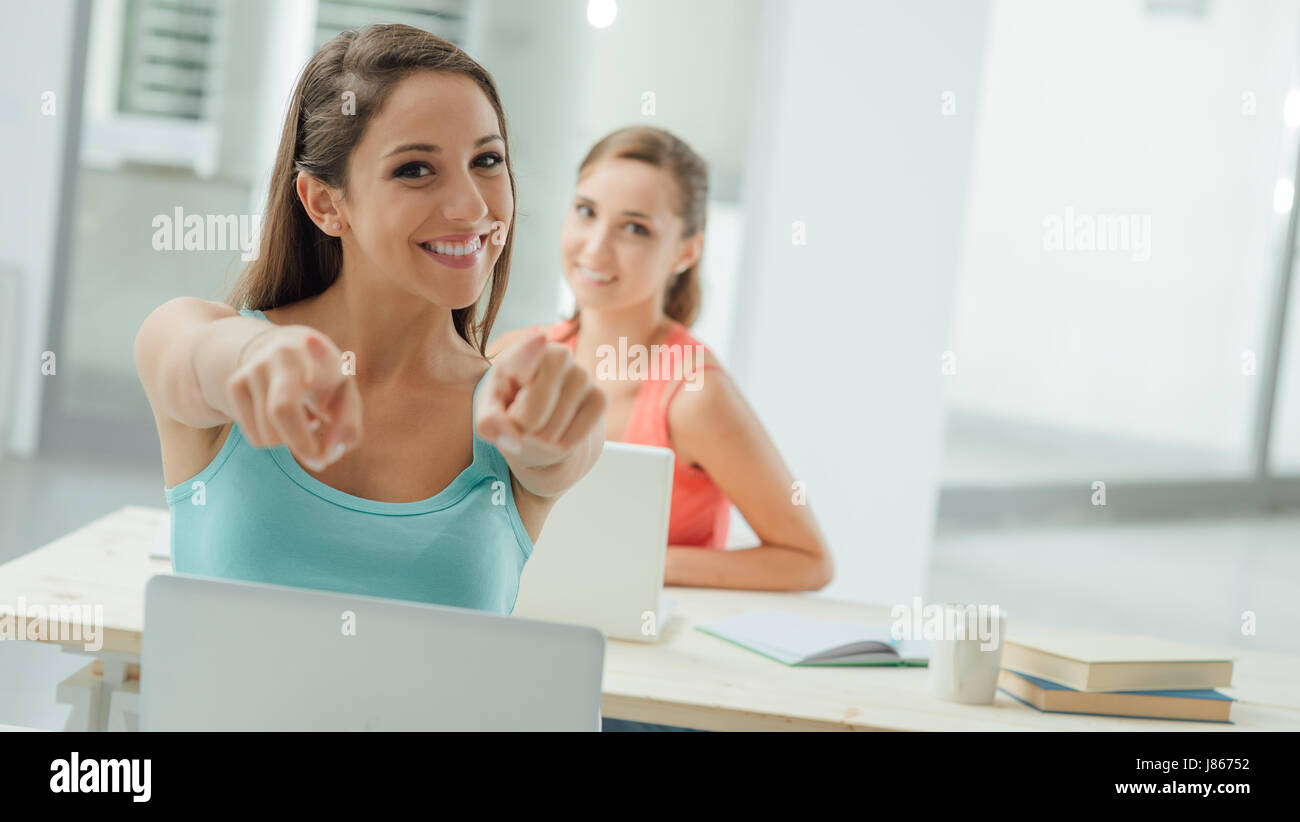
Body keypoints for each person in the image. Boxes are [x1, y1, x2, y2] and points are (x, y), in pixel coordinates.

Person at [133, 24, 605, 616]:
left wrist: (558, 432)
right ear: (325, 203)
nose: (473, 207)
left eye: (486, 160)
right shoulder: (200, 335)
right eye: (414, 169)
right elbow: (192, 357)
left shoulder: (507, 407)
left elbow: (564, 452)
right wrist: (256, 358)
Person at [489, 126, 832, 593]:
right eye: (586, 211)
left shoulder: (695, 397)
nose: (595, 247)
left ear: (687, 251)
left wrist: (633, 563)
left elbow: (807, 561)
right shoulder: (510, 358)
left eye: (635, 227)